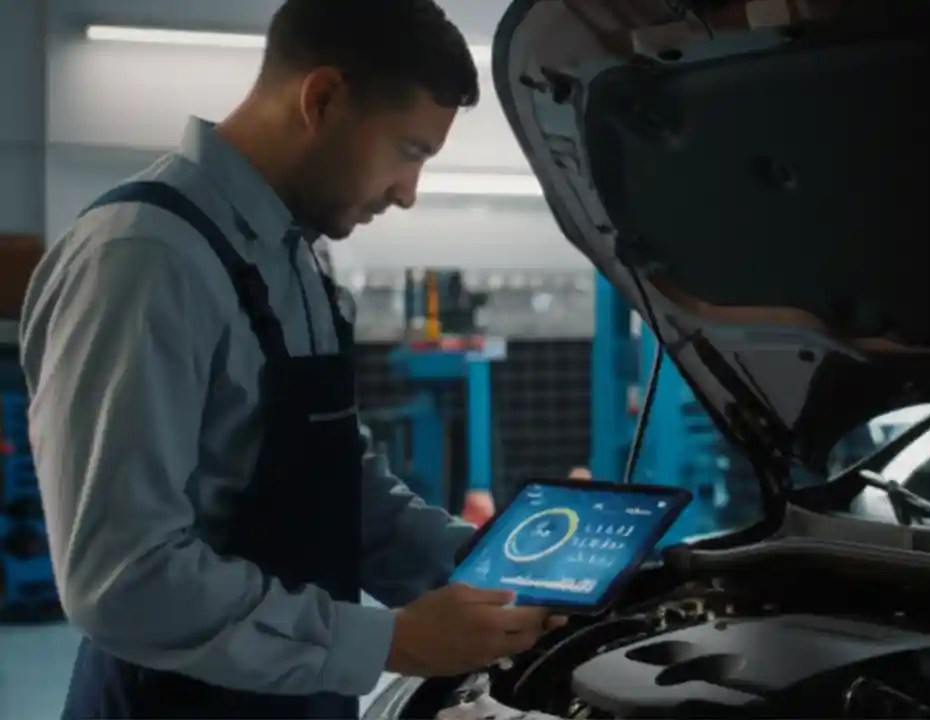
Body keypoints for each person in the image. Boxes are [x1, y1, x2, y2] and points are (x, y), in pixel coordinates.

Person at [19, 1, 564, 718]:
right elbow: (124, 581)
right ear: (323, 99)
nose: (408, 194)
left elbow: (345, 493)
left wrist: (496, 571)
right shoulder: (144, 260)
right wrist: (391, 639)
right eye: (409, 152)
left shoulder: (297, 259)